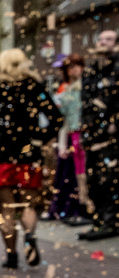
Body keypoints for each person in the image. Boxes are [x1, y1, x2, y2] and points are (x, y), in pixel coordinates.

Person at [0, 48, 64, 268]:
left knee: (5, 208)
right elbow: (56, 118)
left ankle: (10, 254)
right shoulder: (34, 87)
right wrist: (39, 137)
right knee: (29, 204)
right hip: (29, 154)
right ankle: (30, 237)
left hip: (0, 156)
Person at [80, 30, 119, 241]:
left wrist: (115, 123)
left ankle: (112, 221)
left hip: (111, 138)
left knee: (110, 180)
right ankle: (98, 221)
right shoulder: (92, 70)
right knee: (93, 180)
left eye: (109, 39)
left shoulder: (117, 69)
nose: (103, 43)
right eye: (101, 39)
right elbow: (85, 102)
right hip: (91, 136)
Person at [51, 54, 88, 224]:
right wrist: (62, 144)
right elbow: (62, 120)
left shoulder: (87, 87)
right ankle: (72, 208)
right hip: (71, 134)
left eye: (76, 66)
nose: (73, 70)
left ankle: (82, 207)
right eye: (70, 67)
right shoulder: (66, 89)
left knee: (81, 172)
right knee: (71, 173)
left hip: (83, 134)